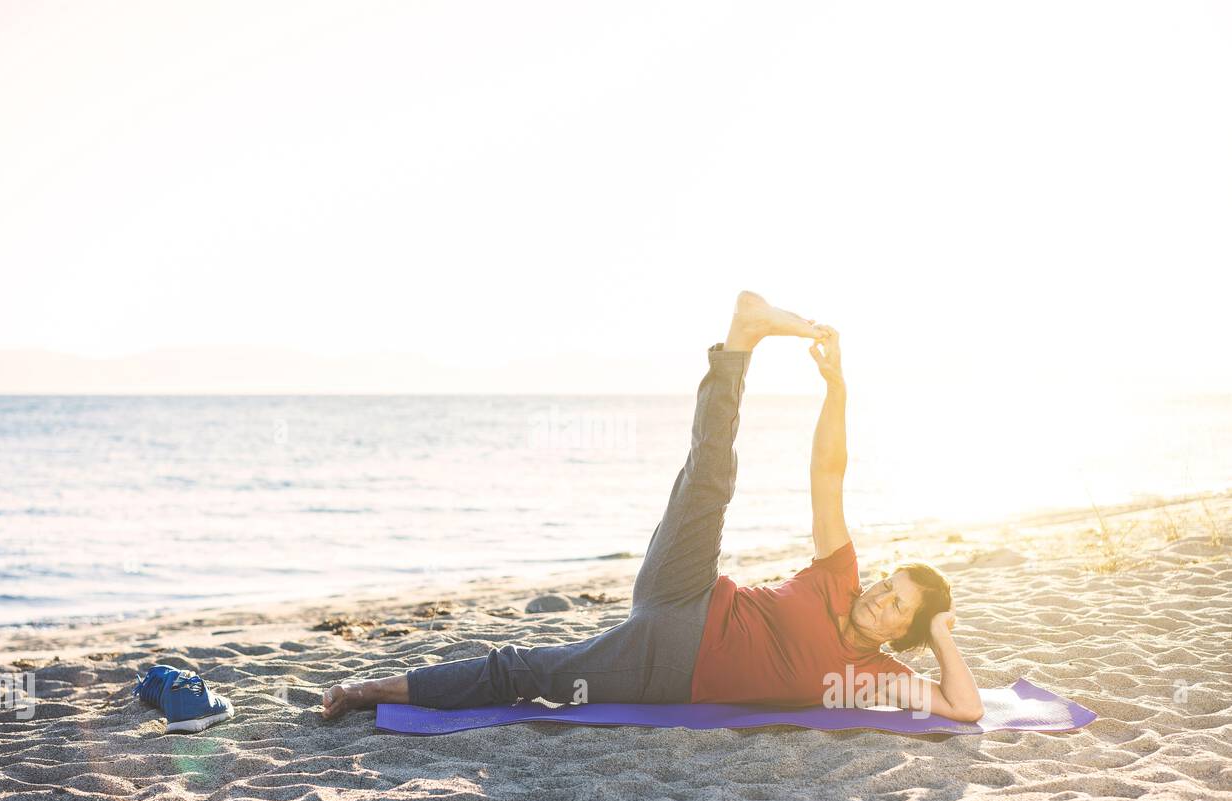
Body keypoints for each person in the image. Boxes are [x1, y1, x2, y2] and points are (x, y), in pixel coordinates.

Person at [322, 291, 984, 723]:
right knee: (710, 476)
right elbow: (828, 472)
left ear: (905, 631)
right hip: (690, 586)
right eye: (887, 584)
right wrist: (836, 386)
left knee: (529, 671)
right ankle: (741, 344)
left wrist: (944, 633)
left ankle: (370, 690)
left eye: (898, 605)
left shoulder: (877, 673)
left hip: (667, 664)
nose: (878, 598)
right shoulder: (839, 574)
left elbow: (963, 706)